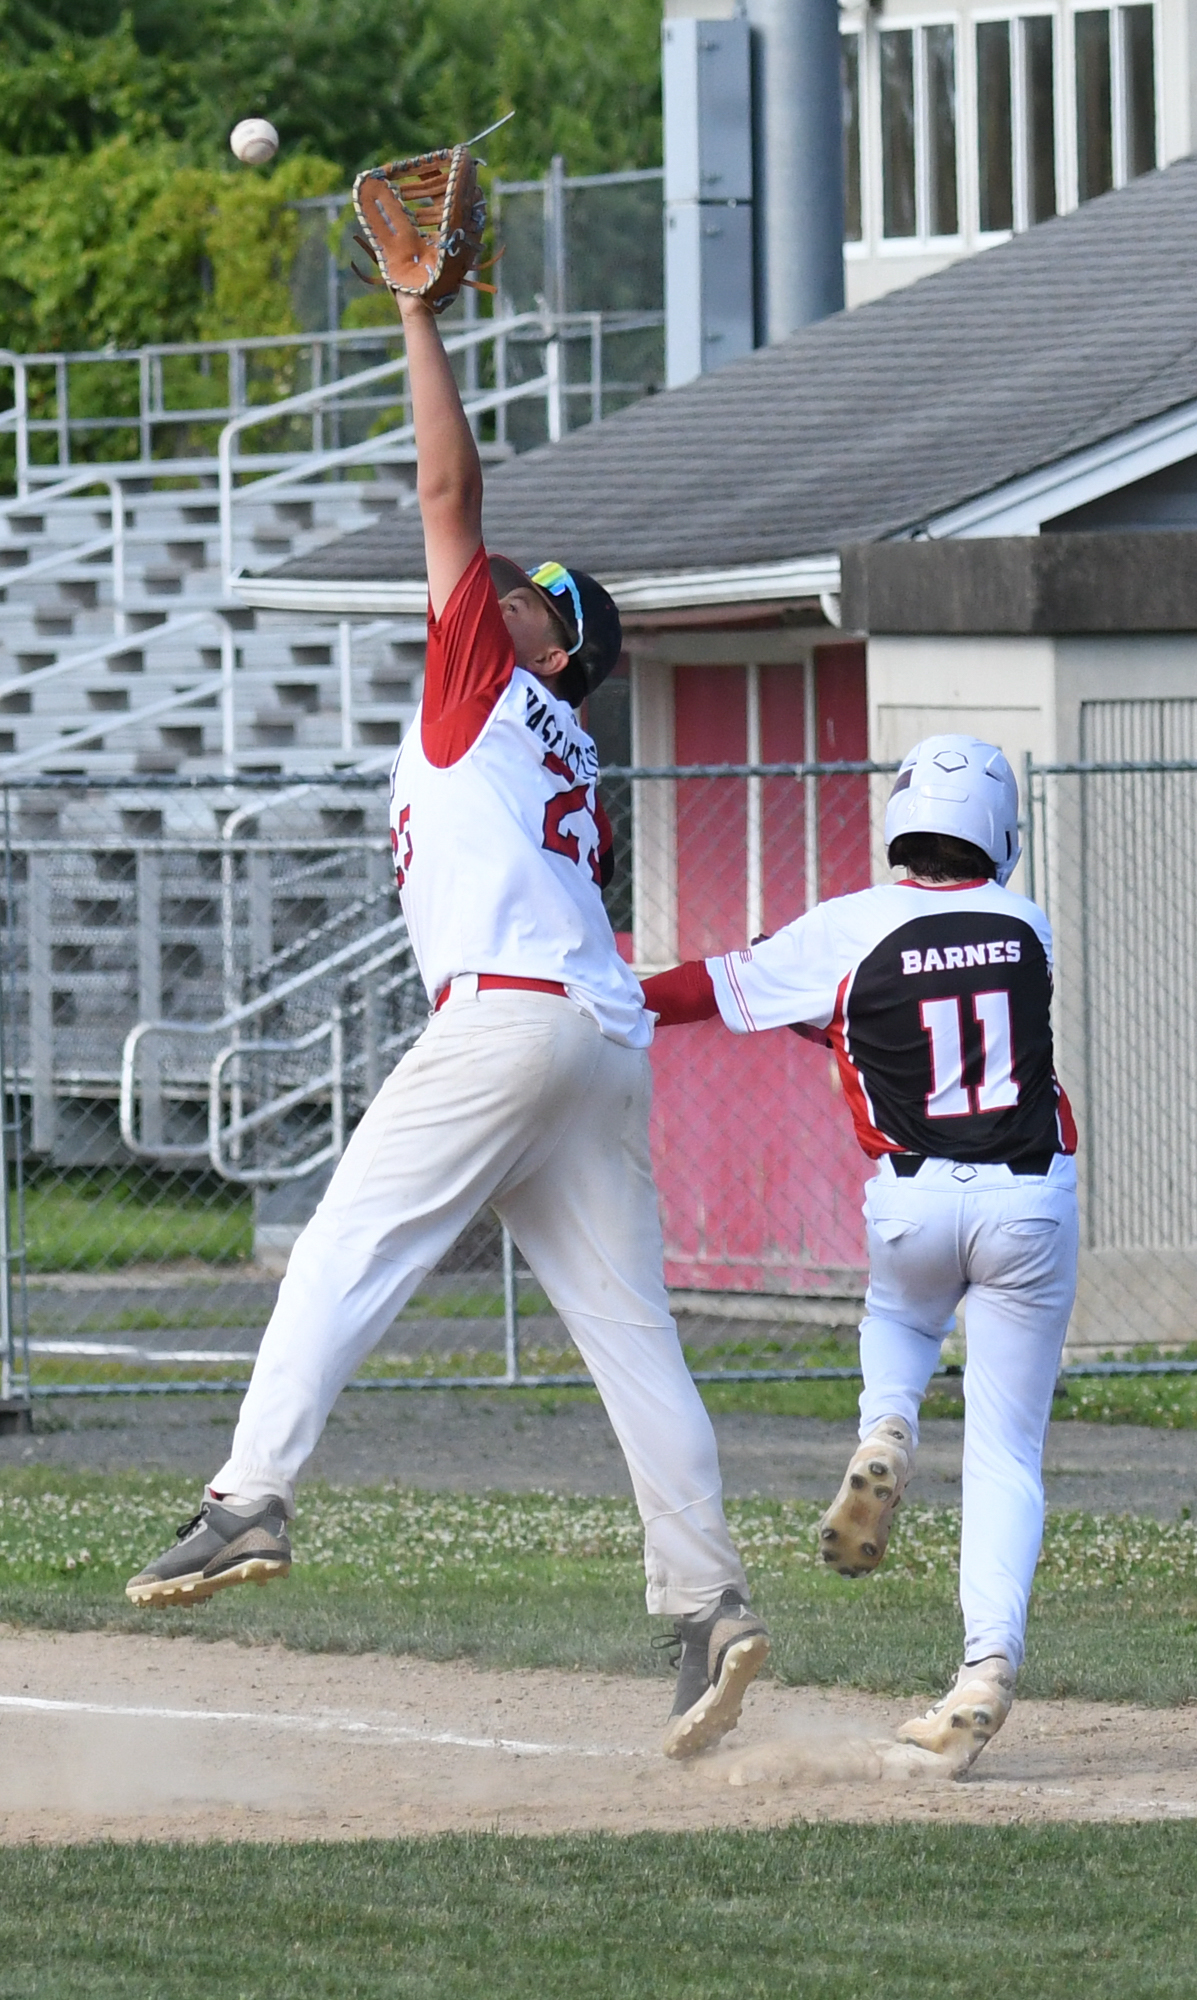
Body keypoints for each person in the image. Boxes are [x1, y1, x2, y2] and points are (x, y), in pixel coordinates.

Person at [125, 287, 769, 1762]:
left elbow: (445, 487)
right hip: (593, 1038)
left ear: (554, 652)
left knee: (346, 1243)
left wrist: (420, 316)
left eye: (538, 601)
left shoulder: (488, 677)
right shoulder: (556, 736)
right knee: (631, 1338)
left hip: (513, 1020)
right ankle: (710, 1605)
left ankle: (248, 1498)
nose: (505, 596)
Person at [639, 736, 1078, 1775]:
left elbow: (715, 988)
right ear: (999, 833)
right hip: (1031, 1202)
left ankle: (886, 1423)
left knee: (898, 1317)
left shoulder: (850, 923)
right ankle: (982, 1671)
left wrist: (608, 991)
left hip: (912, 1201)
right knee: (1007, 1452)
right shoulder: (1030, 924)